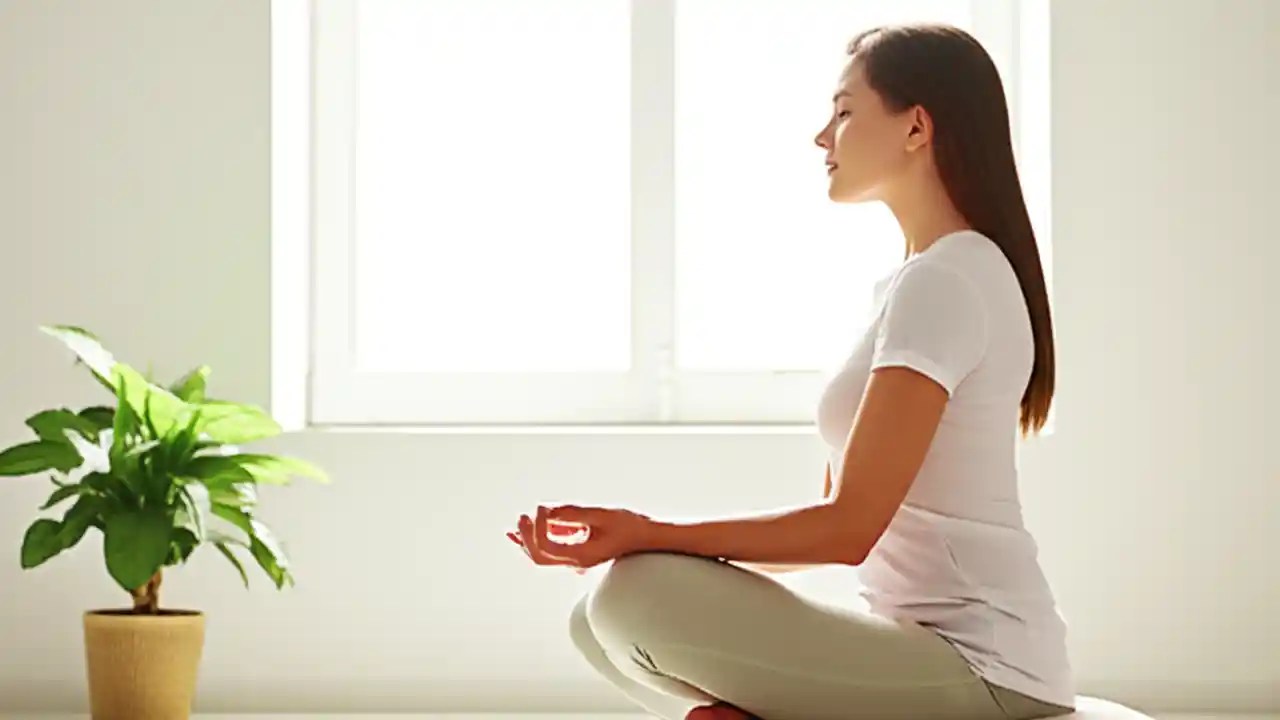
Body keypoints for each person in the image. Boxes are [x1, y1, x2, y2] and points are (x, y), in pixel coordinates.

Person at [507, 22, 1075, 720]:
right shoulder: (919, 283)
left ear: (916, 127)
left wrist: (652, 534)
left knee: (633, 597)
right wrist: (648, 546)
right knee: (596, 618)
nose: (822, 137)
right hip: (916, 648)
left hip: (988, 667)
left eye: (843, 112)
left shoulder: (951, 280)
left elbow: (846, 530)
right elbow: (827, 529)